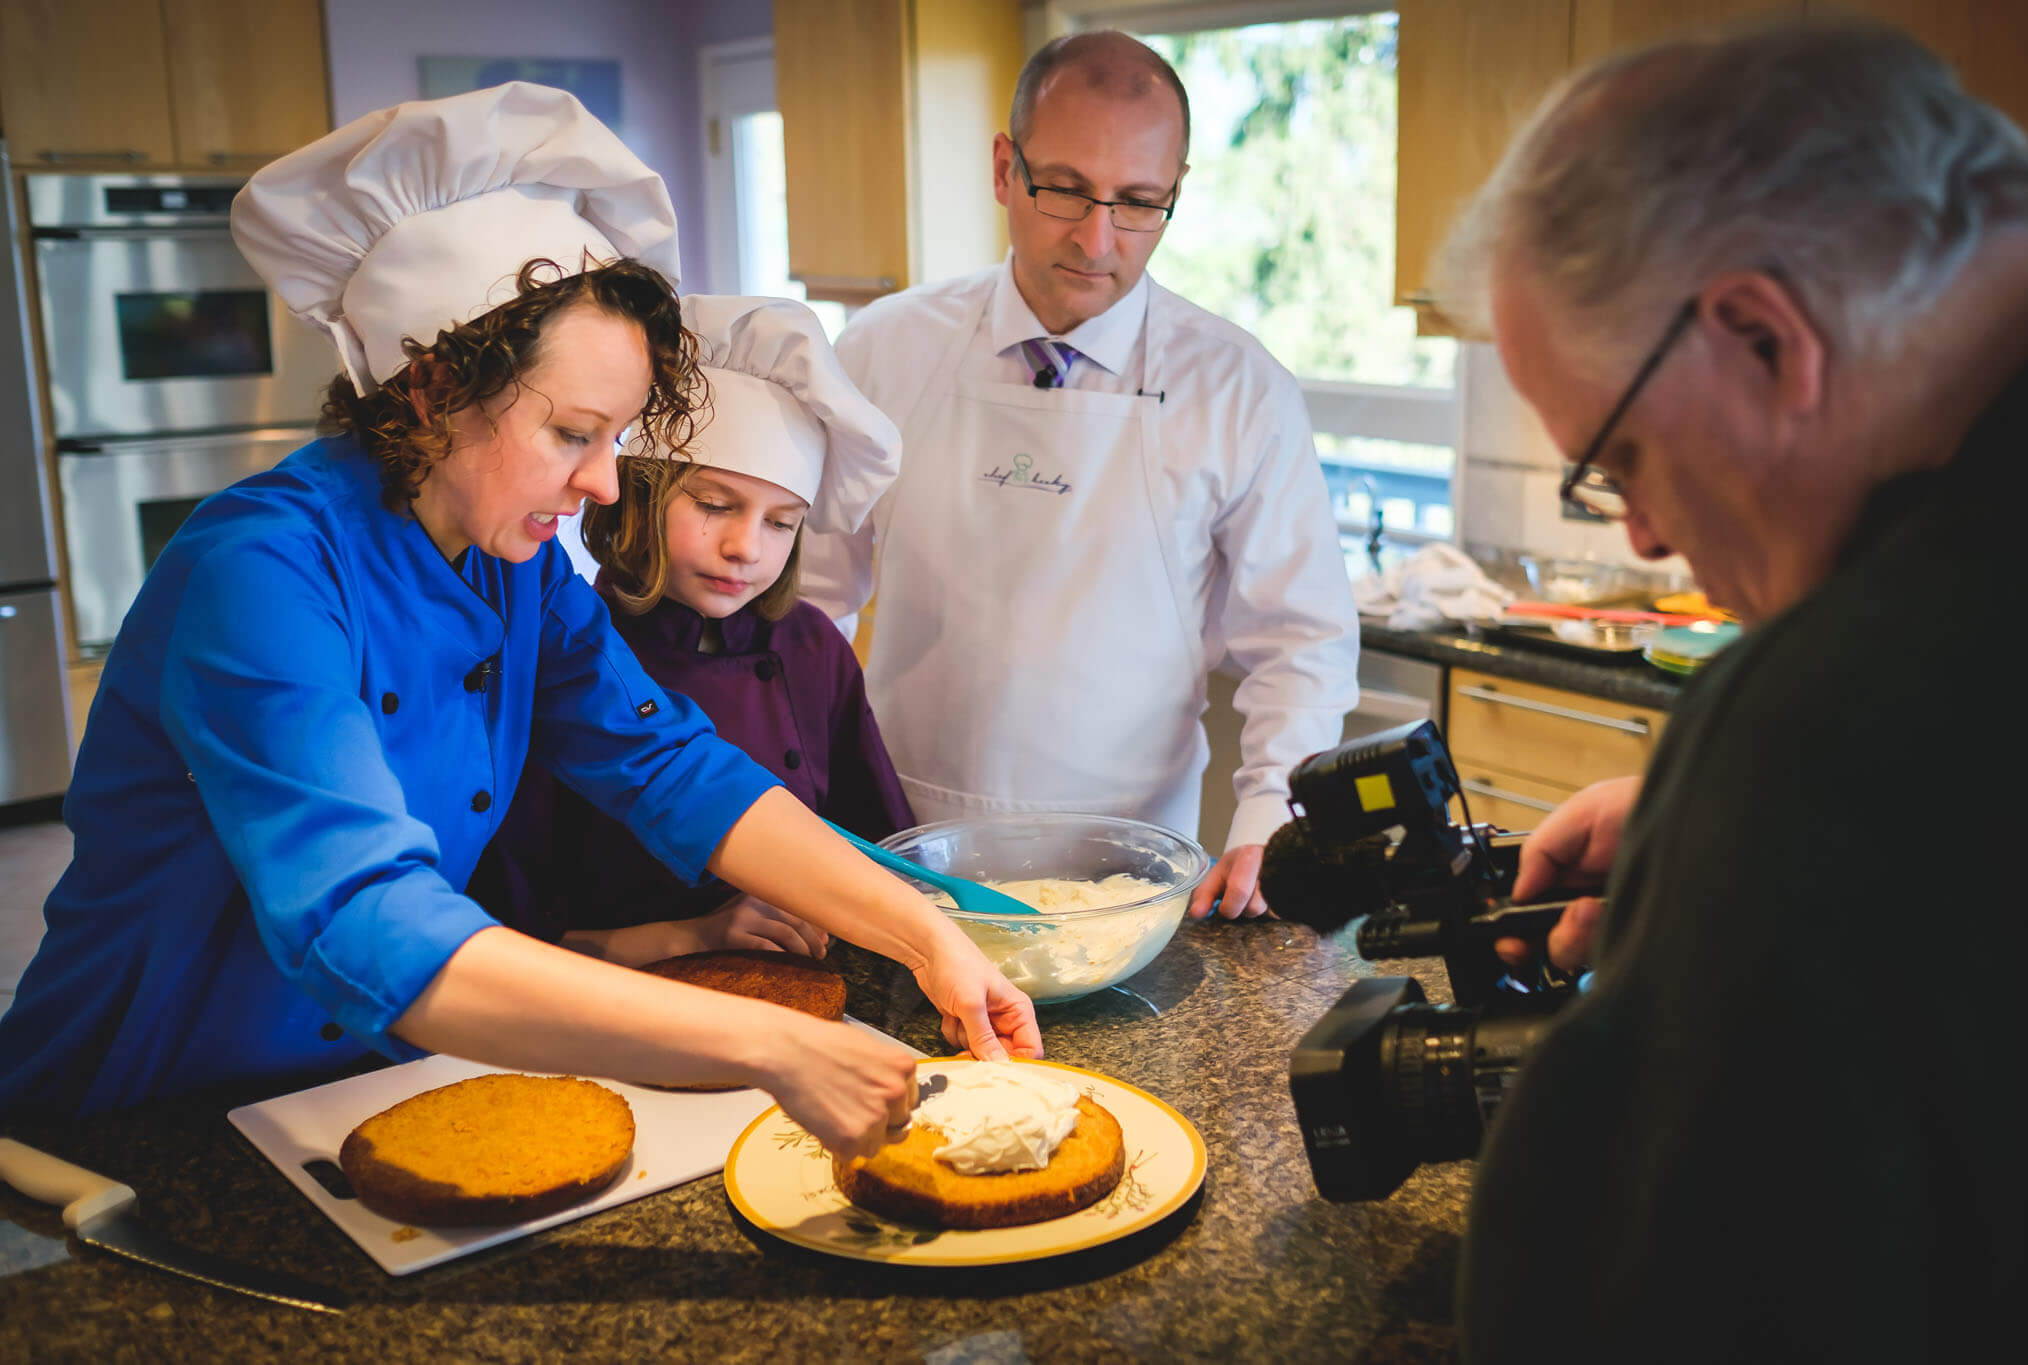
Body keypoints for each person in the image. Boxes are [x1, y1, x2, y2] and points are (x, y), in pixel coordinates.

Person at [0, 84, 1039, 1154]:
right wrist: (765, 1043)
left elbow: (676, 767)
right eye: (573, 434)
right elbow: (366, 922)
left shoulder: (512, 569)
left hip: (358, 1083)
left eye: (618, 437)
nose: (601, 485)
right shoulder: (261, 573)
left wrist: (924, 934)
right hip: (151, 1103)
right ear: (434, 387)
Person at [1429, 19, 2028, 1359]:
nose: (1642, 535)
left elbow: (1666, 1297)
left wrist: (1744, 817)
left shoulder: (1828, 720)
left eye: (1617, 455)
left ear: (1762, 336)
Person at [800, 32, 1360, 921]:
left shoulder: (1239, 389)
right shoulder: (882, 351)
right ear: (1002, 169)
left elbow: (1301, 644)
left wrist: (1266, 819)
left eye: (1138, 202)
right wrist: (784, 800)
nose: (1097, 238)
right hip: (897, 851)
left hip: (1129, 879)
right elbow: (807, 603)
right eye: (1063, 188)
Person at [472, 296, 915, 958]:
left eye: (781, 521)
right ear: (636, 494)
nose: (747, 547)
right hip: (608, 1006)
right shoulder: (571, 654)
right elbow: (506, 939)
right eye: (715, 504)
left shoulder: (813, 647)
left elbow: (883, 857)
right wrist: (699, 934)